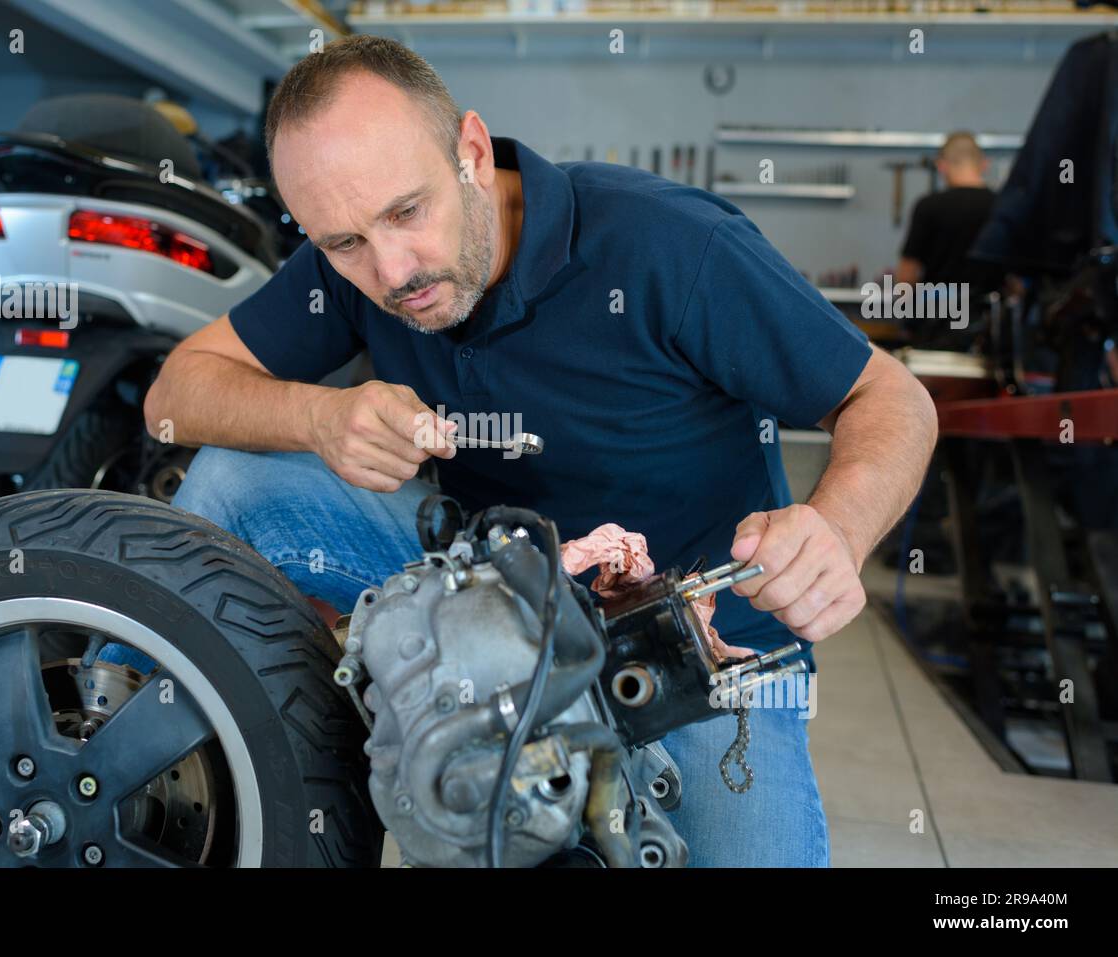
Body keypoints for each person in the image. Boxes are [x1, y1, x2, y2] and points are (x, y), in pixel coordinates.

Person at [144, 35, 938, 866]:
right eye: (342, 243)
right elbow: (176, 394)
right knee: (232, 480)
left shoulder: (670, 244)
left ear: (473, 154)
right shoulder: (354, 261)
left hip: (703, 641)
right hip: (490, 592)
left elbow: (891, 397)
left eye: (406, 212)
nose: (391, 271)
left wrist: (837, 530)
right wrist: (318, 417)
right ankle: (141, 762)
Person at [896, 131, 1004, 349]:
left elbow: (907, 275)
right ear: (984, 164)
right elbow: (1016, 281)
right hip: (988, 328)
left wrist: (905, 320)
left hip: (935, 321)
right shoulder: (1002, 207)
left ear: (941, 165)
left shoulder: (928, 206)